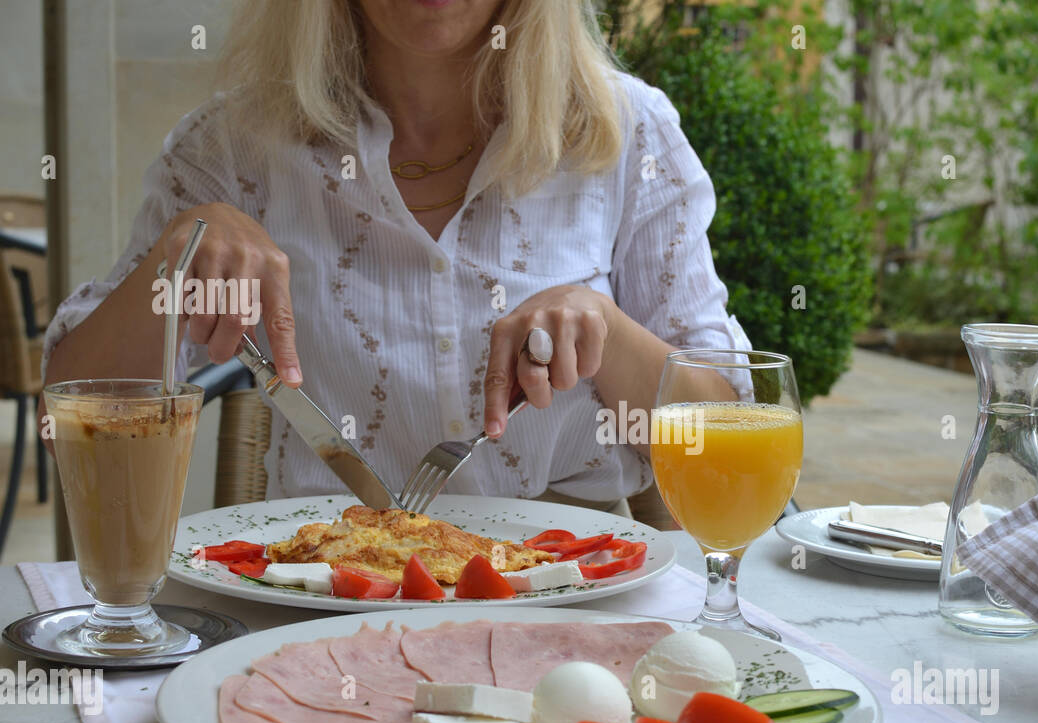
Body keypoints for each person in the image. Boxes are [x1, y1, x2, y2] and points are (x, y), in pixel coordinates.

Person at [42, 0, 748, 508]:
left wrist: (608, 328)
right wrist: (176, 259)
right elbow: (66, 425)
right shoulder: (231, 151)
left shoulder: (627, 133)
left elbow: (733, 450)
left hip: (580, 586)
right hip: (325, 590)